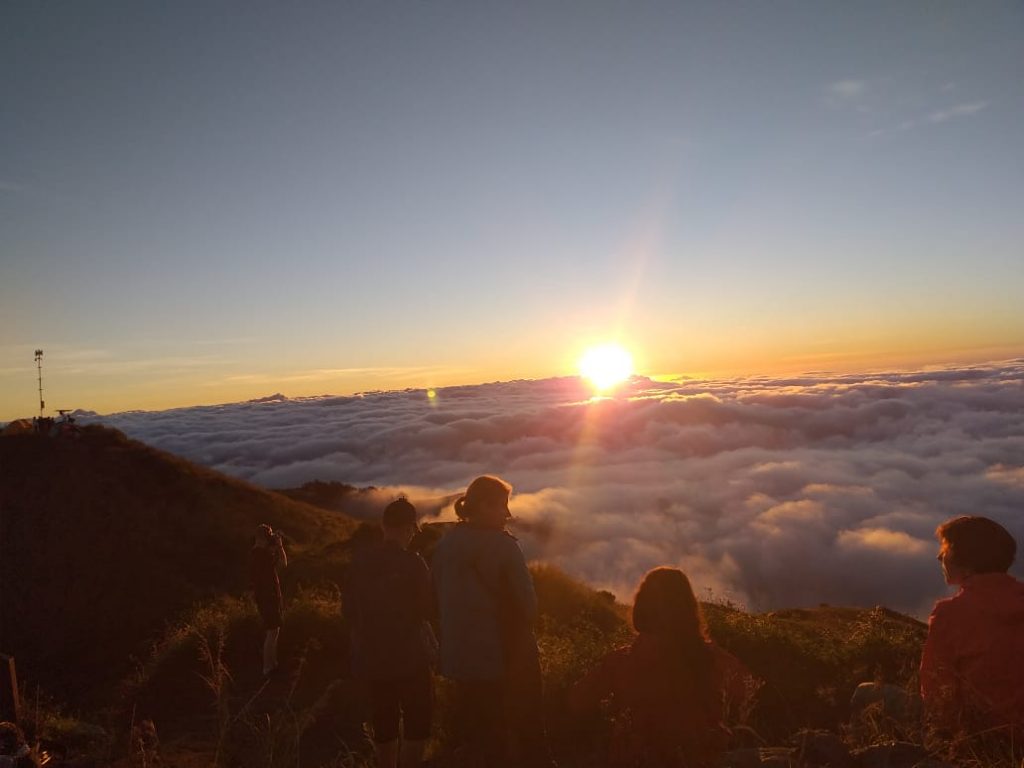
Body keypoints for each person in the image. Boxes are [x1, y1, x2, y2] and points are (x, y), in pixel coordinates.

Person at [570, 568, 751, 768]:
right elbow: (748, 693)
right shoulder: (715, 659)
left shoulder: (620, 662)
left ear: (641, 608)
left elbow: (577, 700)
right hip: (700, 759)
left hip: (636, 760)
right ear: (688, 610)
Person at [431, 475, 552, 767]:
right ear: (483, 506)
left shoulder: (446, 545)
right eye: (501, 506)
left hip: (459, 657)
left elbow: (434, 596)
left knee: (478, 729)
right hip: (504, 656)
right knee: (527, 722)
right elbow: (528, 605)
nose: (507, 514)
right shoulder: (504, 547)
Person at [343, 498, 435, 768]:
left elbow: (348, 611)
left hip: (372, 657)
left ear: (383, 525)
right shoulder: (414, 564)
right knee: (418, 723)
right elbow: (426, 610)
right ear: (409, 528)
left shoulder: (360, 562)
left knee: (384, 722)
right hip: (410, 657)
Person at [920, 515, 1024, 737]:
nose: (940, 556)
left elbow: (937, 695)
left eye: (946, 549)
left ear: (966, 562)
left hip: (982, 738)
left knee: (870, 694)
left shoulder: (950, 615)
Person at [250, 523, 287, 678]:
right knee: (272, 631)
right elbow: (283, 564)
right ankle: (267, 668)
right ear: (264, 537)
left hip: (268, 596)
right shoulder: (260, 554)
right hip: (268, 597)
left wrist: (276, 547)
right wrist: (279, 546)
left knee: (274, 630)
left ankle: (273, 665)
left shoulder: (257, 553)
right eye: (269, 535)